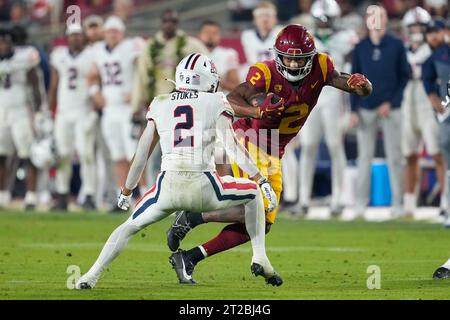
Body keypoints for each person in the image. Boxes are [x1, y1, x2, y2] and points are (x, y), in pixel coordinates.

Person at [166, 24, 372, 282]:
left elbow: (352, 85)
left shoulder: (322, 65)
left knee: (263, 223)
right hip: (250, 139)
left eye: (300, 60)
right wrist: (257, 111)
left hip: (274, 148)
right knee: (256, 210)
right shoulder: (264, 72)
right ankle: (195, 216)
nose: (294, 65)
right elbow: (229, 100)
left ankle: (190, 255)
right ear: (278, 55)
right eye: (288, 59)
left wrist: (360, 85)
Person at [75, 53, 281, 289]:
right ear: (206, 79)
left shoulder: (160, 103)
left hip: (167, 188)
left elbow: (142, 153)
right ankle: (260, 257)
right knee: (253, 192)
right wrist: (260, 179)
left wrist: (126, 190)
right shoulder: (217, 101)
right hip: (205, 187)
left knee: (129, 226)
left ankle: (90, 276)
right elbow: (232, 147)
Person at [132, 9, 208, 186]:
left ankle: (185, 190)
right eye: (166, 21)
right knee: (152, 151)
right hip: (159, 106)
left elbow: (207, 70)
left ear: (177, 23)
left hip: (186, 106)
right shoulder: (150, 47)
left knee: (184, 152)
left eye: (173, 21)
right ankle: (151, 191)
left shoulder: (191, 45)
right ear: (161, 23)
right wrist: (136, 106)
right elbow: (142, 77)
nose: (169, 24)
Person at [350, 5, 410, 218]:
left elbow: (405, 76)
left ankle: (398, 203)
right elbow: (353, 80)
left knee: (395, 157)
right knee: (364, 157)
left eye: (380, 16)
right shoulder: (361, 47)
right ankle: (360, 204)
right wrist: (353, 109)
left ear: (386, 19)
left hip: (391, 108)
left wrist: (391, 102)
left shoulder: (396, 45)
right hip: (366, 108)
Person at [297, 0, 356, 216]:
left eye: (327, 20)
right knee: (309, 145)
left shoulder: (346, 38)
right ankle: (304, 198)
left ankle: (337, 199)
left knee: (334, 145)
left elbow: (351, 72)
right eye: (320, 20)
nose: (323, 24)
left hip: (334, 96)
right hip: (310, 97)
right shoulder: (306, 38)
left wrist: (350, 106)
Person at [88, 16, 144, 212]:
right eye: (109, 31)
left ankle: (144, 195)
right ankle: (124, 199)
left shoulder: (131, 46)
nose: (112, 35)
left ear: (122, 33)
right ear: (104, 33)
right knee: (117, 155)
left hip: (128, 108)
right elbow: (92, 75)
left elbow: (142, 68)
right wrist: (95, 92)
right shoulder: (97, 51)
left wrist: (138, 92)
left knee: (135, 156)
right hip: (110, 109)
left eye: (115, 31)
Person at [401, 8, 445, 217]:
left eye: (421, 27)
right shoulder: (402, 49)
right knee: (410, 154)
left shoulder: (436, 50)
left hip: (428, 99)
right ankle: (409, 205)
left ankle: (445, 202)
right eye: (413, 27)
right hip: (406, 98)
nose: (417, 31)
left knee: (437, 153)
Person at [48, 23, 97, 210]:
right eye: (72, 35)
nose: (75, 38)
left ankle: (90, 194)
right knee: (63, 155)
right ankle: (62, 194)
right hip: (63, 112)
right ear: (67, 37)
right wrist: (48, 110)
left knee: (86, 154)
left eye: (78, 35)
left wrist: (93, 109)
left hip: (83, 111)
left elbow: (96, 80)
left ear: (84, 37)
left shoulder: (92, 54)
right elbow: (54, 84)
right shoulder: (59, 55)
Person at [0, 27, 44, 209]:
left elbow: (35, 85)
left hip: (21, 111)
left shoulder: (24, 57)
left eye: (4, 42)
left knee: (28, 155)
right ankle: (2, 195)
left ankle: (31, 196)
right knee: (1, 155)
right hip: (2, 111)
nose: (2, 46)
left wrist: (39, 111)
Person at [422, 19, 450, 231]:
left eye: (435, 32)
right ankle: (448, 208)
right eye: (429, 32)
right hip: (446, 114)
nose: (432, 36)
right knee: (447, 162)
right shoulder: (433, 58)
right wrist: (435, 101)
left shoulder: (440, 54)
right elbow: (429, 84)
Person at [199, 20, 240, 93]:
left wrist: (216, 80)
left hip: (220, 98)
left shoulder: (228, 54)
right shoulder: (191, 53)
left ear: (220, 36)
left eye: (214, 33)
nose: (210, 36)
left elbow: (236, 87)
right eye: (207, 32)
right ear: (200, 34)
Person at [240, 2, 283, 71]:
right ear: (255, 19)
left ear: (275, 19)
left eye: (268, 16)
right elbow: (252, 61)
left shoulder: (282, 33)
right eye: (261, 16)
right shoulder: (247, 36)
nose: (265, 20)